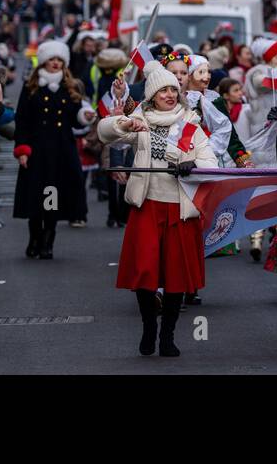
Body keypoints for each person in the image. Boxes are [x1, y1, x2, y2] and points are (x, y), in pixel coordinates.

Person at [98, 63, 218, 357]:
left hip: (179, 209)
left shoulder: (191, 122)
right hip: (148, 206)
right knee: (144, 274)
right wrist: (125, 124)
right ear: (151, 94)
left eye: (174, 90)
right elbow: (104, 132)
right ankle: (149, 327)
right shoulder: (142, 119)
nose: (169, 94)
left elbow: (212, 164)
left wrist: (194, 166)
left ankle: (168, 335)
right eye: (163, 90)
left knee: (176, 277)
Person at [12, 40, 88, 260]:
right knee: (35, 197)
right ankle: (34, 237)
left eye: (59, 60)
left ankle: (48, 240)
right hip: (36, 151)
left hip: (59, 152)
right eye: (52, 59)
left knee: (52, 196)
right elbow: (22, 120)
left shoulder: (69, 88)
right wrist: (22, 149)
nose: (55, 64)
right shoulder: (30, 87)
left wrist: (84, 116)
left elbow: (75, 119)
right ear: (44, 61)